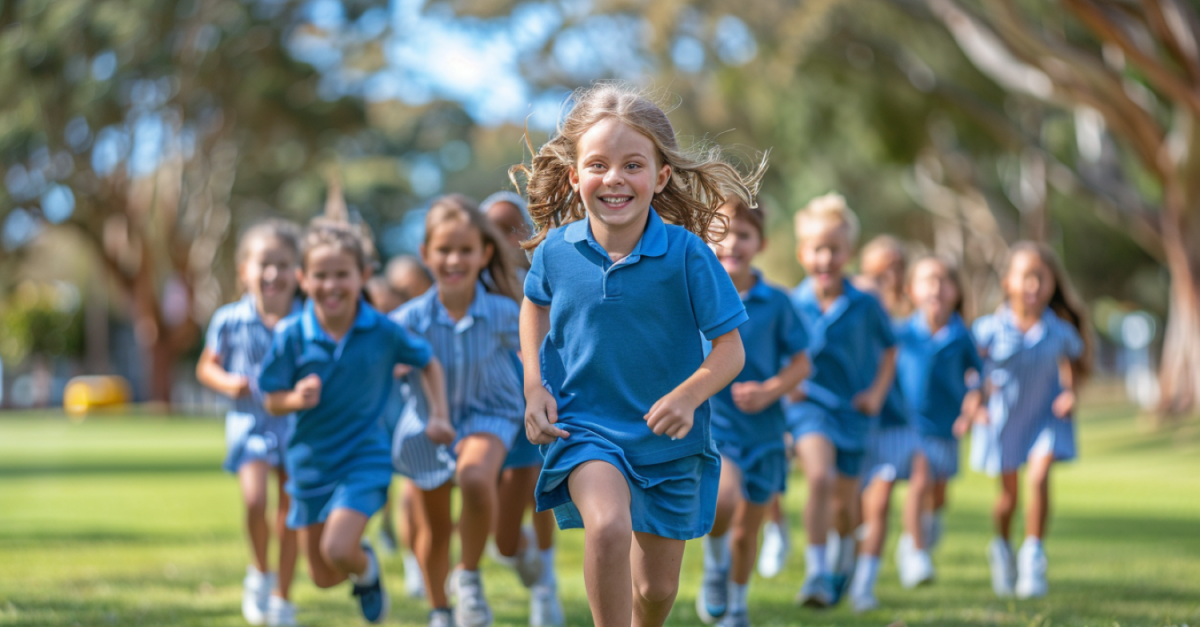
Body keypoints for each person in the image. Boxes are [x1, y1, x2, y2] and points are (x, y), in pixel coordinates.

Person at [514, 82, 766, 627]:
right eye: (599, 165)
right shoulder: (557, 251)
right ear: (575, 175)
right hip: (585, 428)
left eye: (633, 165)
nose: (615, 179)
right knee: (607, 526)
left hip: (668, 441)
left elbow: (730, 349)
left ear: (661, 176)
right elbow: (533, 307)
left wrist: (687, 396)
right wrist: (534, 385)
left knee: (654, 592)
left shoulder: (688, 254)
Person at [258, 221, 449, 624]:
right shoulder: (292, 334)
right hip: (309, 467)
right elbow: (271, 400)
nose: (332, 285)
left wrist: (439, 415)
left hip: (365, 459)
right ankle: (367, 569)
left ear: (363, 275)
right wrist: (295, 398)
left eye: (342, 274)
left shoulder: (381, 330)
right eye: (320, 276)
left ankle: (358, 561)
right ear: (303, 280)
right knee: (324, 576)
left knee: (339, 548)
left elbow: (427, 360)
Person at [390, 194, 526, 627]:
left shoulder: (506, 312)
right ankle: (440, 609)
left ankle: (467, 576)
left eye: (465, 250)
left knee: (474, 476)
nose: (454, 259)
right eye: (444, 250)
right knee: (433, 528)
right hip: (430, 424)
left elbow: (535, 352)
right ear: (425, 254)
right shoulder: (407, 320)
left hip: (491, 413)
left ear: (485, 254)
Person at [695, 199, 810, 627]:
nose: (732, 244)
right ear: (706, 241)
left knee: (749, 530)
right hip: (715, 430)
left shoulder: (777, 302)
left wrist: (770, 390)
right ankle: (714, 565)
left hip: (765, 434)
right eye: (721, 233)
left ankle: (737, 607)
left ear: (759, 242)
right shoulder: (695, 295)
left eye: (743, 235)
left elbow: (802, 363)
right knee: (722, 501)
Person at [848, 255, 984, 611]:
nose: (935, 288)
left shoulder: (961, 335)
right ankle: (890, 566)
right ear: (911, 289)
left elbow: (977, 377)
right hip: (902, 425)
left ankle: (919, 537)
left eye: (943, 280)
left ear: (956, 291)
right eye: (927, 280)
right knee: (887, 496)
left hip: (943, 428)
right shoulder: (901, 331)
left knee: (935, 495)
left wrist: (973, 406)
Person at [786, 193, 897, 608]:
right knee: (818, 478)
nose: (826, 258)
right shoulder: (793, 303)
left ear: (848, 253)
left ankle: (843, 561)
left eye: (834, 249)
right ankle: (815, 573)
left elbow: (890, 350)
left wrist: (876, 394)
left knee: (847, 507)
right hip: (809, 408)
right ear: (802, 253)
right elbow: (778, 351)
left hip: (854, 413)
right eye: (817, 249)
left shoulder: (866, 303)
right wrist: (785, 385)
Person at [196, 220, 303, 626]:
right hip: (250, 427)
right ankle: (260, 571)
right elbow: (206, 367)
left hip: (295, 429)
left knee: (290, 513)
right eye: (264, 263)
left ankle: (283, 598)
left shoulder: (305, 321)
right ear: (244, 270)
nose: (272, 273)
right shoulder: (229, 320)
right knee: (255, 501)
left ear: (298, 272)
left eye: (282, 263)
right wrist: (227, 382)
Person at [971, 242, 1091, 599]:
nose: (1034, 286)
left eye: (1041, 277)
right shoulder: (989, 329)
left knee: (1038, 476)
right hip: (1004, 420)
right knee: (1008, 498)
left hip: (1045, 416)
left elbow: (1074, 367)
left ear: (1053, 283)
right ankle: (1003, 548)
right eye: (1026, 277)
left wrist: (1070, 393)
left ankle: (1033, 556)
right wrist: (975, 404)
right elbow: (972, 373)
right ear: (1008, 282)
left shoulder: (1060, 331)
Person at [482, 191, 565, 627]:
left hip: (536, 407)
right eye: (495, 227)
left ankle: (546, 586)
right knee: (504, 537)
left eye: (514, 226)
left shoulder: (546, 278)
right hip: (485, 412)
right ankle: (523, 557)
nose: (506, 236)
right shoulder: (476, 290)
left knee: (539, 496)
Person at [370, 260, 434, 600]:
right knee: (383, 488)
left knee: (413, 491)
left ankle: (415, 562)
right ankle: (384, 528)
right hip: (378, 419)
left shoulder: (418, 322)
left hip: (410, 414)